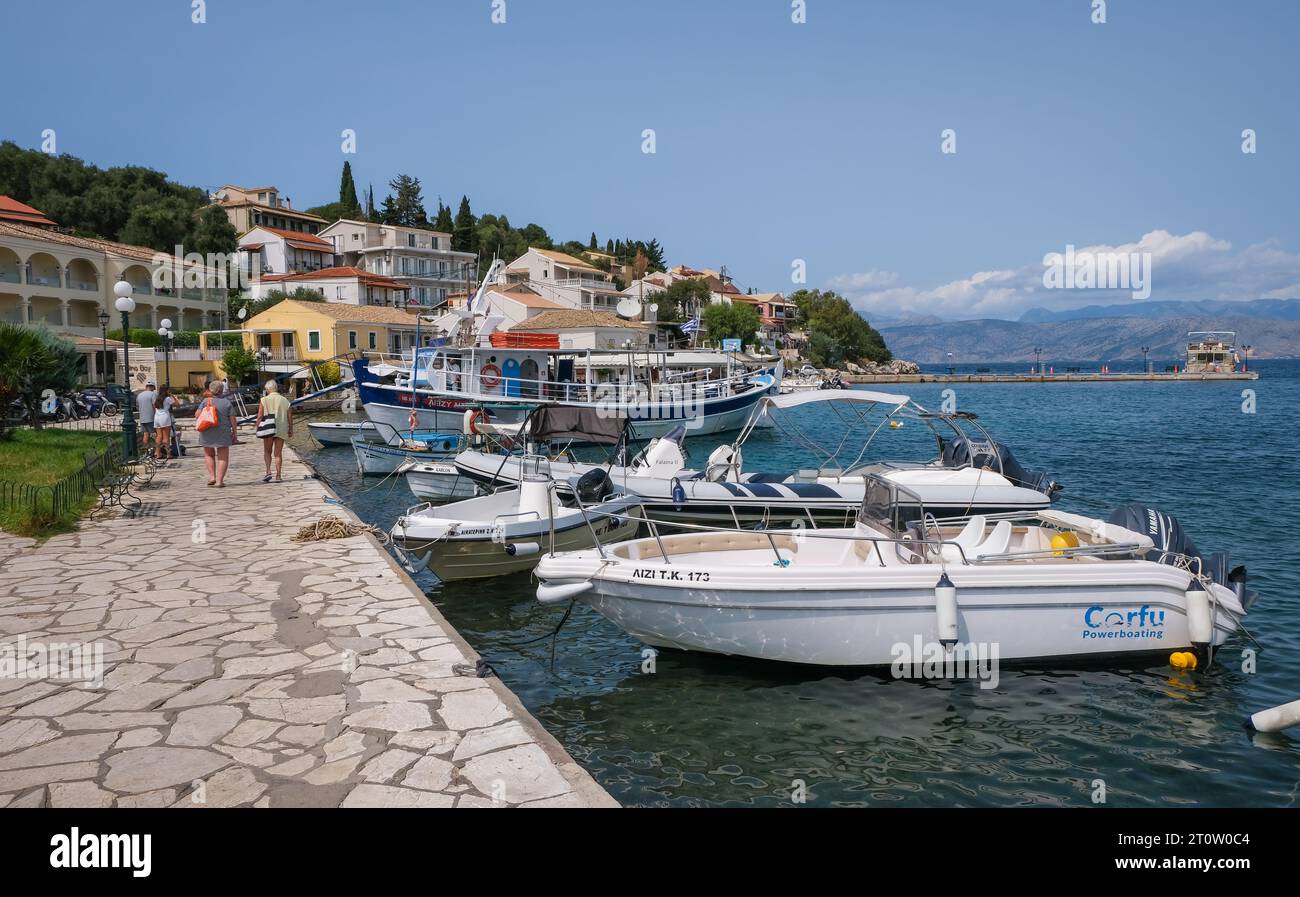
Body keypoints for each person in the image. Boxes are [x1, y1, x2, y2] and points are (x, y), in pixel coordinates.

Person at [198, 381, 236, 487]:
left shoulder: (205, 401)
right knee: (223, 457)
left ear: (210, 390)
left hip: (207, 429)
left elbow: (197, 415)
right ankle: (219, 481)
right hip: (223, 431)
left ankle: (212, 477)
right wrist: (235, 433)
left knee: (208, 454)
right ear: (222, 390)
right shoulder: (226, 402)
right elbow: (233, 419)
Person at [256, 380, 293, 483]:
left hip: (268, 428)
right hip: (281, 429)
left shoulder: (264, 400)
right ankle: (278, 475)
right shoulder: (285, 400)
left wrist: (258, 428)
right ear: (276, 388)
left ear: (267, 389)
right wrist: (290, 429)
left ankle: (268, 472)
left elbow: (259, 416)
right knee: (278, 453)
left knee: (267, 451)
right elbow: (290, 417)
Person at [152, 385, 178, 460]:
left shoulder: (157, 398)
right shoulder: (167, 399)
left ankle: (158, 453)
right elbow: (177, 404)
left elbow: (154, 407)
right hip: (165, 417)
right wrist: (172, 395)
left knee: (159, 436)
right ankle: (168, 454)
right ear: (166, 391)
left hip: (157, 417)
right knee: (166, 437)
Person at [136, 381, 157, 451]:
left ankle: (145, 452)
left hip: (142, 418)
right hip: (151, 417)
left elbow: (137, 406)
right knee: (156, 435)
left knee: (146, 434)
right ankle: (156, 451)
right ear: (153, 387)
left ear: (146, 386)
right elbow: (155, 406)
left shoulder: (139, 395)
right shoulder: (153, 394)